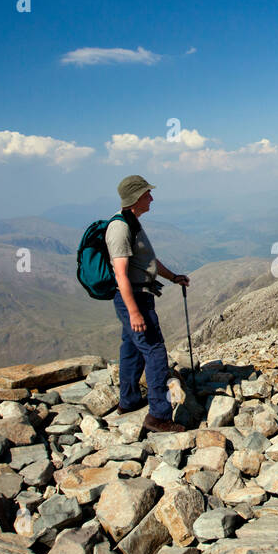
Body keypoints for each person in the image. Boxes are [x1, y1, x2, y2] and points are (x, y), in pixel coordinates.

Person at [107, 175, 191, 433]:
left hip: (138, 296)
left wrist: (173, 277)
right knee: (154, 352)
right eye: (147, 194)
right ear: (135, 198)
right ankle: (158, 416)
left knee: (132, 349)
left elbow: (148, 262)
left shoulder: (132, 223)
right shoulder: (120, 228)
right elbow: (121, 274)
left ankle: (129, 401)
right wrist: (134, 312)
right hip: (133, 299)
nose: (151, 198)